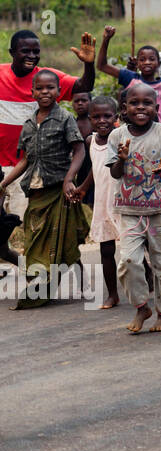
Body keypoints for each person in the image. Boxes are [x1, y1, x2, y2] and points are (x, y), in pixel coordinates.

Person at [0, 69, 88, 308]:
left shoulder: (65, 118)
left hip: (59, 191)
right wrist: (4, 183)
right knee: (34, 241)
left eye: (50, 88)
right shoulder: (28, 124)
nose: (45, 92)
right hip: (36, 193)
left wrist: (70, 178)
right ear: (32, 92)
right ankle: (40, 283)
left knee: (64, 240)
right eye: (40, 88)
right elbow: (25, 159)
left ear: (59, 92)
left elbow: (79, 150)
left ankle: (82, 285)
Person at [108, 82, 161, 333]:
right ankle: (142, 306)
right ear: (125, 107)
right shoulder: (117, 136)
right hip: (130, 212)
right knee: (128, 260)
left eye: (147, 103)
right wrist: (121, 158)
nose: (141, 107)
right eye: (134, 103)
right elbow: (116, 175)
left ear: (156, 106)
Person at [1, 31, 95, 222]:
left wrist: (88, 63)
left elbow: (84, 85)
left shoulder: (46, 79)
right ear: (12, 52)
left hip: (28, 169)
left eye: (36, 51)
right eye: (25, 51)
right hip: (0, 166)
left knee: (20, 225)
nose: (32, 56)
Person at [83, 96, 122, 308]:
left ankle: (147, 276)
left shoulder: (122, 139)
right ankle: (112, 294)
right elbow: (95, 169)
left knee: (132, 248)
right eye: (96, 117)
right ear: (90, 119)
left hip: (123, 202)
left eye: (107, 116)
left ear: (116, 117)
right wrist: (83, 188)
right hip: (102, 203)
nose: (102, 121)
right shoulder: (90, 141)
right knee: (106, 251)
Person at [96, 28, 161, 122]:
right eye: (142, 59)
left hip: (157, 132)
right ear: (137, 64)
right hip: (132, 130)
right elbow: (102, 66)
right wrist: (106, 40)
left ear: (159, 63)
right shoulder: (130, 77)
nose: (147, 62)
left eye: (151, 59)